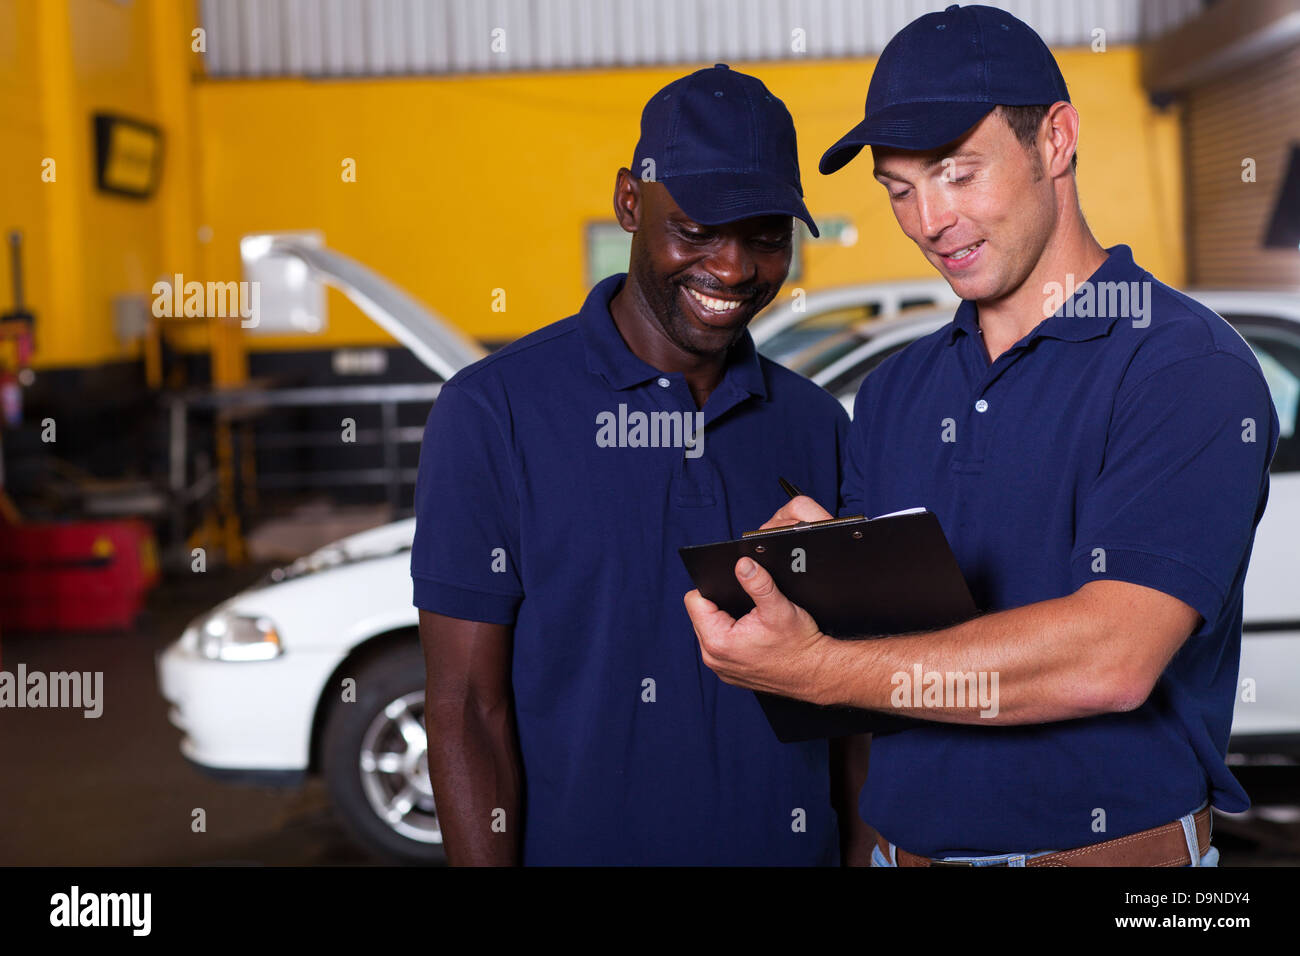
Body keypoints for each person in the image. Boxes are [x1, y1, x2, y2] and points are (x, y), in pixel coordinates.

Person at [685, 5, 1278, 868]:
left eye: (958, 174)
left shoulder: (1184, 367)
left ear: (1058, 141)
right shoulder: (894, 392)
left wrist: (816, 669)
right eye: (899, 190)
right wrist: (814, 579)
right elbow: (887, 641)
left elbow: (1109, 659)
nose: (930, 220)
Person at [412, 64, 870, 865]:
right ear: (631, 201)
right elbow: (465, 709)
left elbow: (854, 711)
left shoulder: (816, 426)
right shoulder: (494, 413)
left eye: (767, 236)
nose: (732, 269)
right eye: (696, 230)